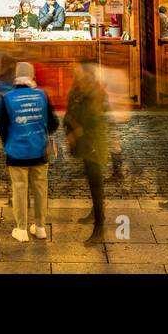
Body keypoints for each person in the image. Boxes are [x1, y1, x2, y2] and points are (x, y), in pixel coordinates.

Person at [0, 61, 59, 242]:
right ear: (32, 77)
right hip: (39, 150)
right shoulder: (42, 95)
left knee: (19, 189)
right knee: (40, 188)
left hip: (16, 152)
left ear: (16, 77)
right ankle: (40, 227)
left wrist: (8, 142)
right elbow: (54, 123)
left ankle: (21, 229)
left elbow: (2, 127)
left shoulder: (7, 98)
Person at [64, 62, 109, 244]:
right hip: (84, 143)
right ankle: (95, 212)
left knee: (95, 182)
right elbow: (69, 112)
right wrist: (71, 129)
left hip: (93, 143)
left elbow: (92, 118)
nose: (75, 71)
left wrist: (75, 130)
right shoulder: (78, 89)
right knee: (91, 179)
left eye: (78, 69)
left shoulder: (94, 92)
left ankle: (99, 225)